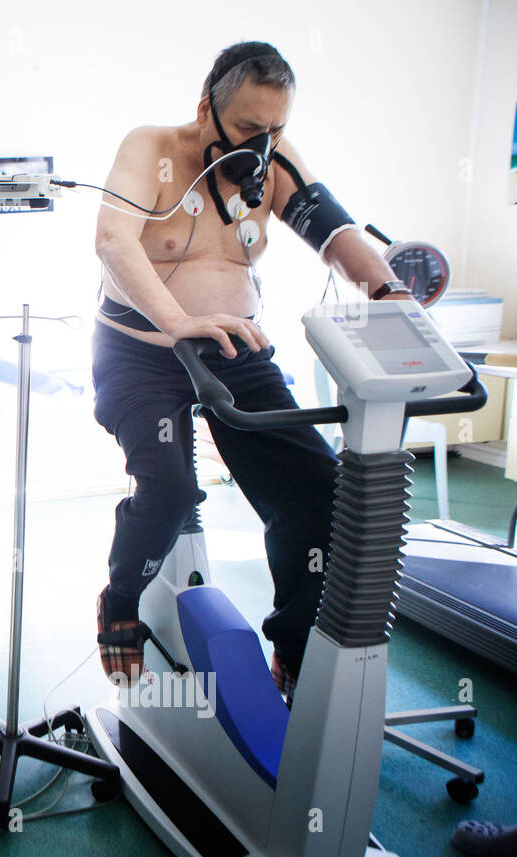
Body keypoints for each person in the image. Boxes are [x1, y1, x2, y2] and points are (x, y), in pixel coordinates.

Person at [92, 41, 418, 690]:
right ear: (205, 107)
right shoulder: (150, 148)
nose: (259, 143)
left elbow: (335, 235)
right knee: (170, 490)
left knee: (319, 487)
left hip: (235, 353)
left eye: (274, 130)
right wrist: (178, 320)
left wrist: (389, 294)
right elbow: (112, 239)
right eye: (246, 128)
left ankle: (292, 646)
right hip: (141, 355)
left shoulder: (273, 161)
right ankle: (119, 602)